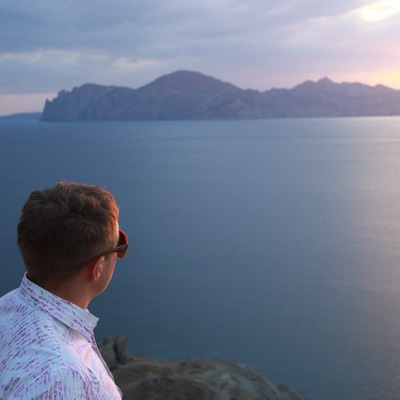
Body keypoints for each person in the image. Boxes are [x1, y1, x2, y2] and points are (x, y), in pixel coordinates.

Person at [0, 182, 129, 399]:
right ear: (97, 268)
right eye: (119, 245)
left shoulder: (6, 308)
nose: (120, 252)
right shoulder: (63, 377)